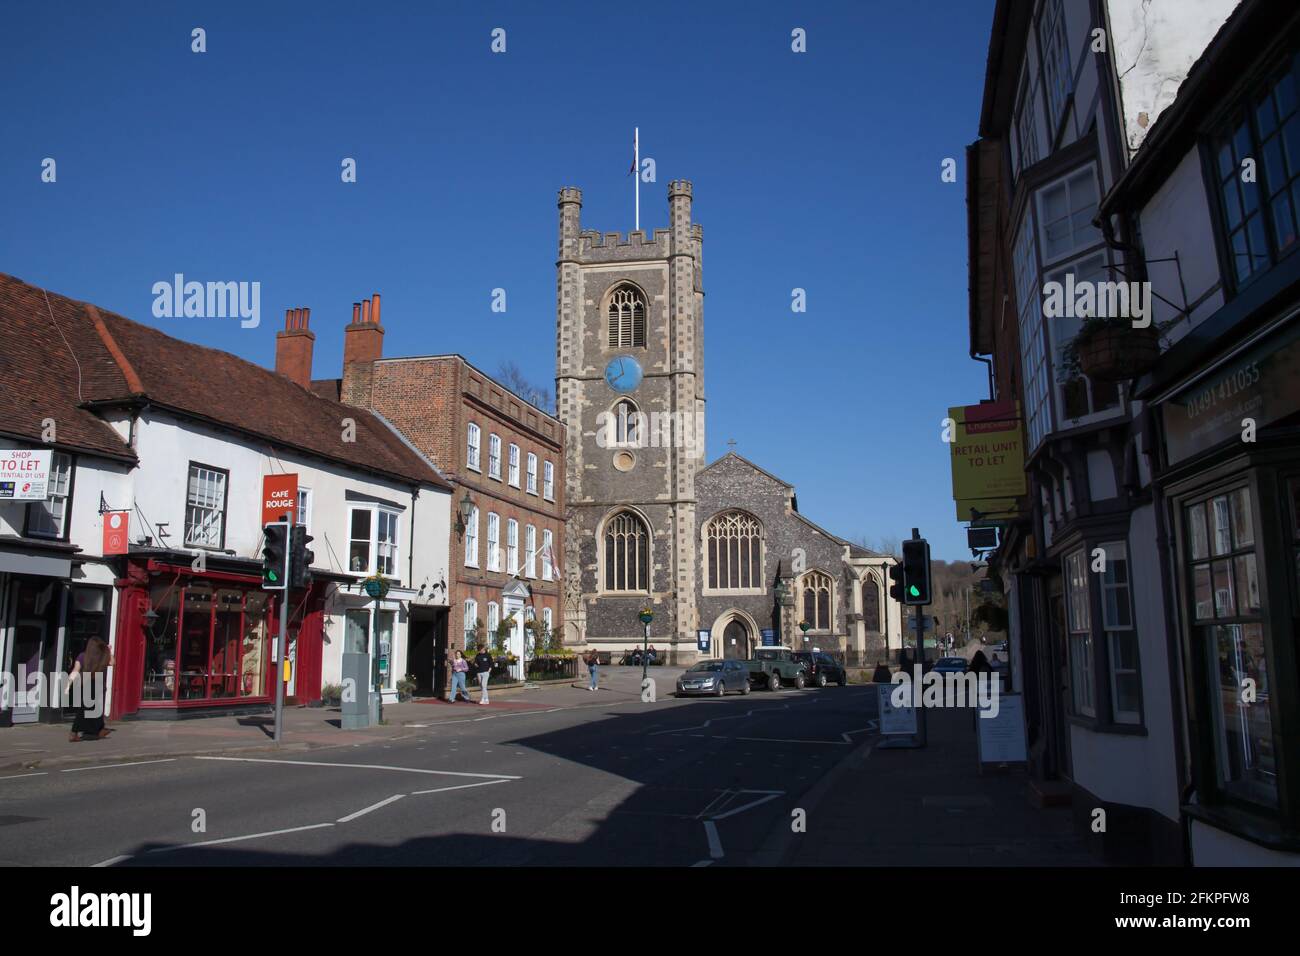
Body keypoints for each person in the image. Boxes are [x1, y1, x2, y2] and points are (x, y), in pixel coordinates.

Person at [68, 637, 113, 742]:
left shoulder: (82, 656)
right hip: (96, 683)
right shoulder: (101, 657)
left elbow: (75, 670)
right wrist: (109, 651)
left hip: (84, 683)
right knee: (88, 709)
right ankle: (75, 732)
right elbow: (112, 662)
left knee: (91, 708)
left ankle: (98, 730)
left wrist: (68, 683)